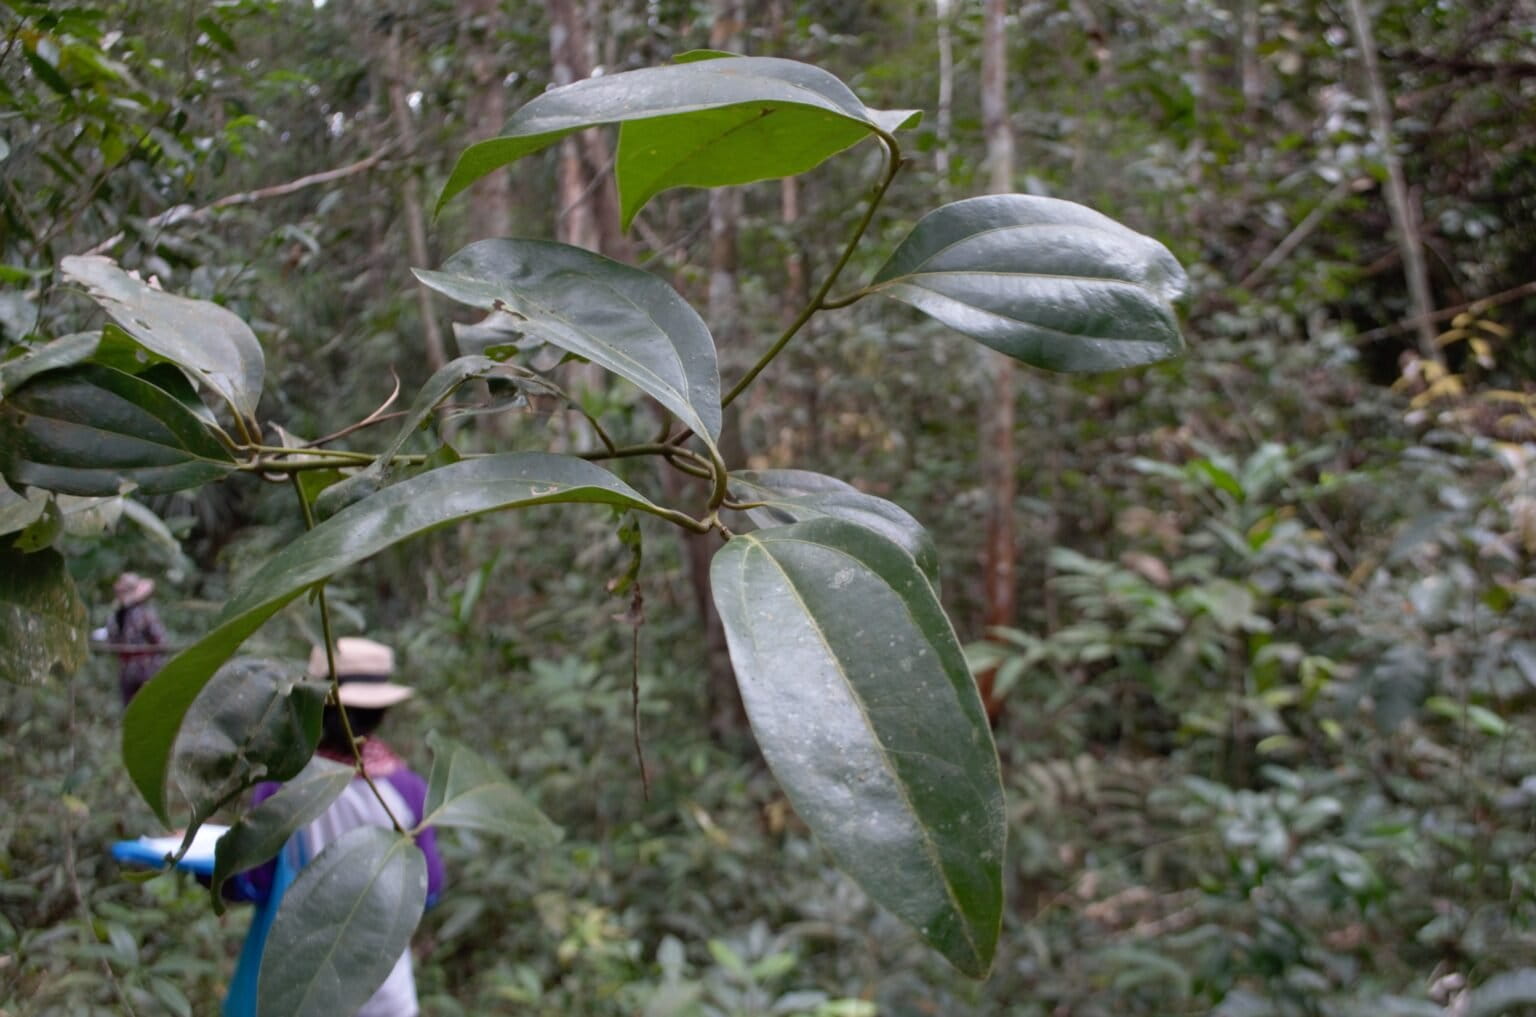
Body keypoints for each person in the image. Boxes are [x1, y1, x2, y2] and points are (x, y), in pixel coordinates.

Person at [222, 637, 445, 1017]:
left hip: (305, 985)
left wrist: (214, 874)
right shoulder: (409, 791)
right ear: (382, 713)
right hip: (385, 989)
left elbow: (253, 882)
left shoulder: (286, 786)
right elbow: (429, 889)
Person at [107, 572, 167, 704]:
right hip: (132, 671)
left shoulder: (142, 614)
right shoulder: (118, 616)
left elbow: (160, 641)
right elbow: (112, 641)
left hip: (143, 670)